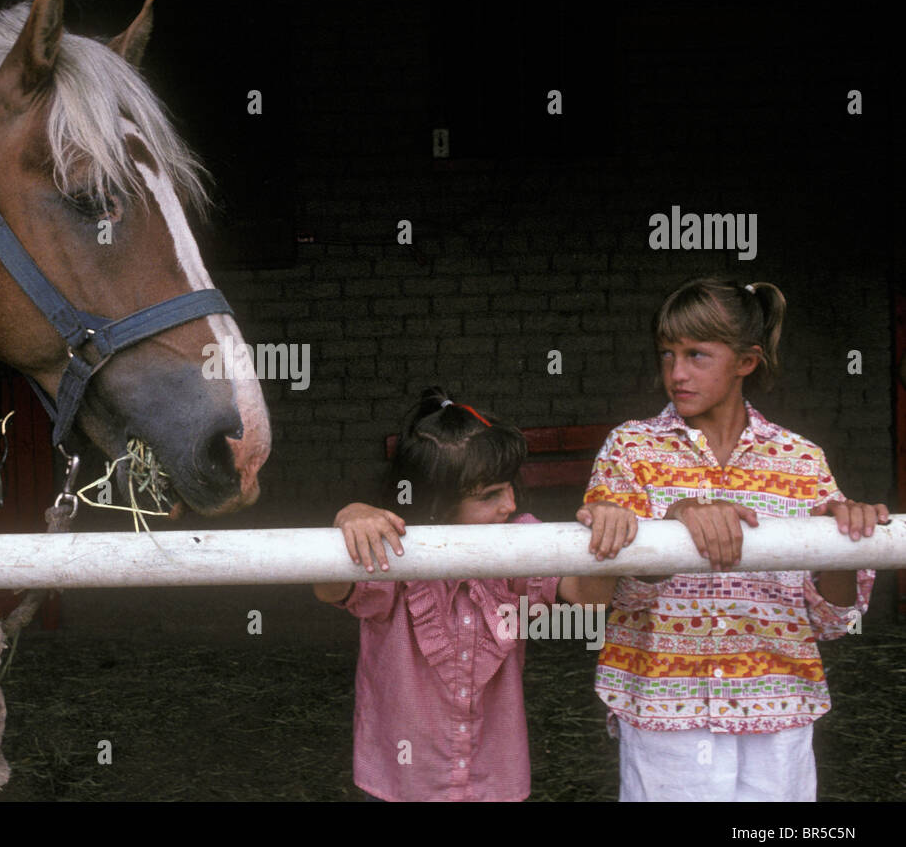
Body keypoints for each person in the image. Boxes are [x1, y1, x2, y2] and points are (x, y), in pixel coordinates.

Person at [578, 276, 889, 801]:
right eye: (667, 354)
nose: (676, 373)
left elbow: (834, 619)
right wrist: (674, 521)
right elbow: (593, 596)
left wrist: (844, 536)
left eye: (697, 354)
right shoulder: (630, 449)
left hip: (778, 704)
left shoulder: (801, 460)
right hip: (664, 702)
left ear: (746, 361)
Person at [314, 386, 615, 801]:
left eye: (510, 486)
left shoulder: (519, 541)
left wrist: (606, 538)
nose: (509, 503)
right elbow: (329, 587)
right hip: (403, 783)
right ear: (436, 503)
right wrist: (347, 519)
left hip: (490, 778)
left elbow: (589, 598)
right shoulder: (394, 551)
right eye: (489, 495)